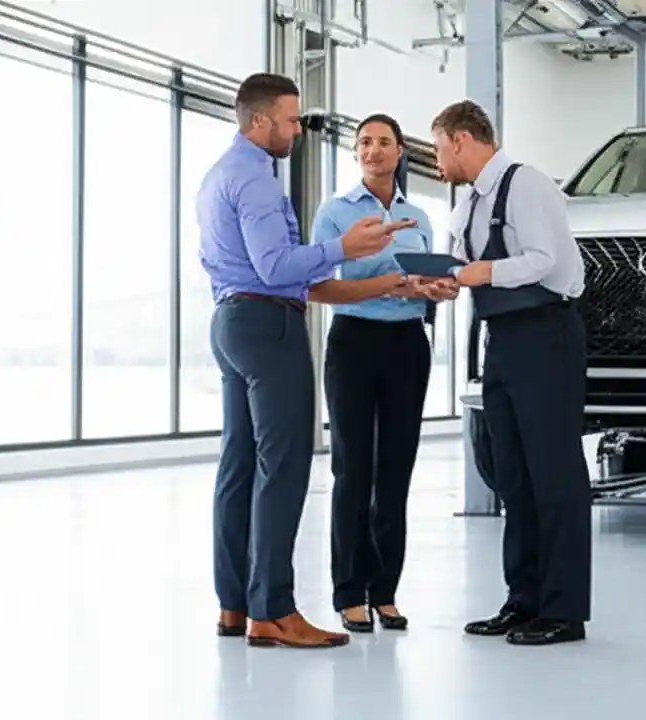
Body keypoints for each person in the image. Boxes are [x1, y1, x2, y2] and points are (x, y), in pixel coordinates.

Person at [197, 72, 415, 649]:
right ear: (261, 120)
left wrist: (383, 277)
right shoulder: (259, 181)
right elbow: (276, 269)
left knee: (239, 465)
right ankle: (273, 609)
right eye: (292, 120)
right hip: (268, 325)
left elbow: (275, 271)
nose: (298, 129)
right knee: (284, 465)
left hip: (231, 322)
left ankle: (234, 604)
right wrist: (346, 248)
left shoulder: (218, 174)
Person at [428, 99, 591, 646]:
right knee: (512, 475)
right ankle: (523, 601)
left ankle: (564, 611)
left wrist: (482, 271)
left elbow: (546, 259)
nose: (436, 160)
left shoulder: (527, 184)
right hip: (501, 338)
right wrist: (441, 280)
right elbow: (461, 264)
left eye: (437, 147)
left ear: (460, 139)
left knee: (555, 474)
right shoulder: (468, 204)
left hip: (546, 335)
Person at [313, 113, 458, 634]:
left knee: (396, 469)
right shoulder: (334, 213)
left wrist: (437, 288)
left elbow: (424, 279)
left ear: (400, 152)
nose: (373, 150)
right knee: (353, 470)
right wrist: (392, 280)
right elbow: (324, 283)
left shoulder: (418, 215)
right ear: (357, 153)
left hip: (406, 343)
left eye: (383, 143)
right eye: (364, 143)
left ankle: (385, 591)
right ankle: (349, 591)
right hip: (354, 340)